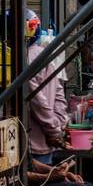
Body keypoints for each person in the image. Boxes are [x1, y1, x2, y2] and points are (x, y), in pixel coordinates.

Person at [26, 25, 68, 164]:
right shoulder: (43, 54)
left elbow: (37, 101)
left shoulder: (27, 58)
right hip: (46, 138)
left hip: (34, 140)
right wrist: (59, 124)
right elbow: (58, 93)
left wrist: (54, 130)